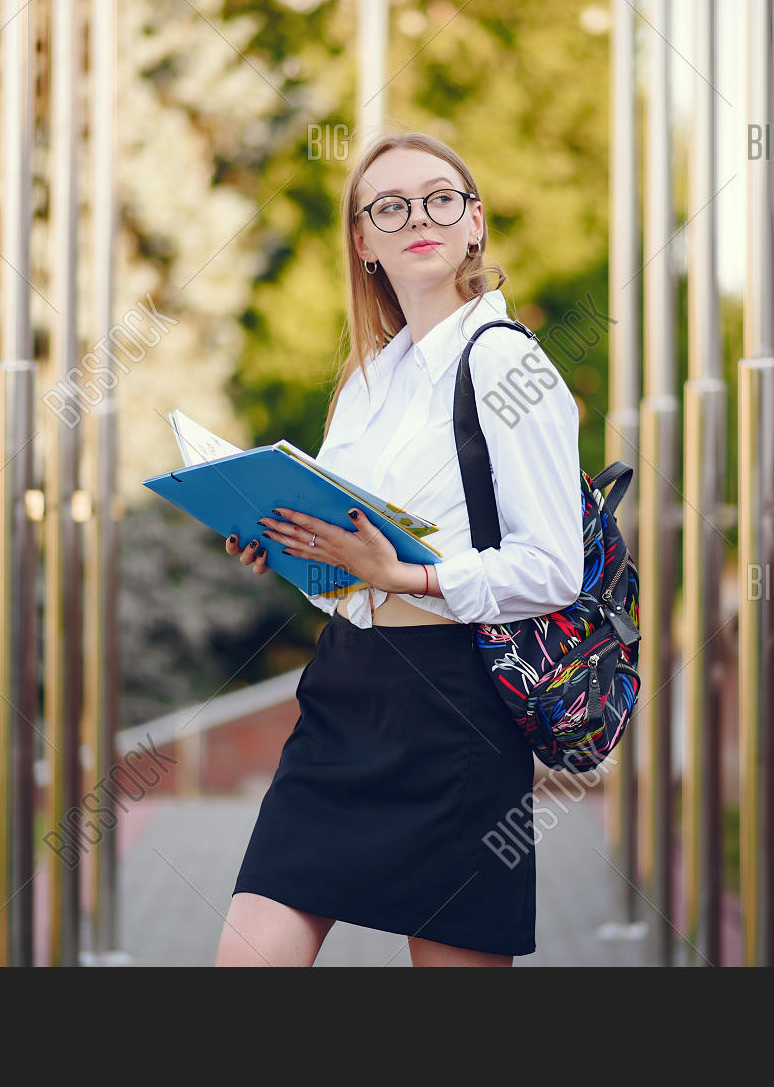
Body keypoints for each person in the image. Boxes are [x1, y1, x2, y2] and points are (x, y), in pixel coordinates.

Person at [213, 131, 583, 967]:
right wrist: (293, 549)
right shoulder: (369, 380)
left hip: (457, 708)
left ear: (474, 222)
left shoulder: (507, 365)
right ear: (363, 240)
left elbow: (554, 566)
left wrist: (405, 573)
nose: (418, 216)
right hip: (345, 693)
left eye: (439, 197)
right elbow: (348, 577)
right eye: (390, 205)